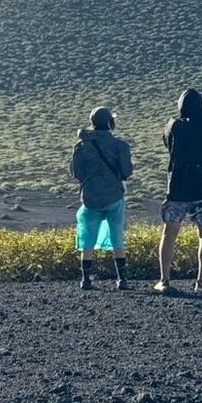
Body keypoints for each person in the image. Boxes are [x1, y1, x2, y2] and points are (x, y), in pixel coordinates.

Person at [155, 89, 202, 294]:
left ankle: (164, 281)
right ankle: (201, 282)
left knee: (169, 233)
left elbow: (167, 142)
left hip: (177, 189)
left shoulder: (174, 126)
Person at [70, 105, 133, 291]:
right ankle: (122, 280)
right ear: (109, 123)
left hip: (90, 198)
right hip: (114, 196)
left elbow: (76, 173)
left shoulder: (80, 146)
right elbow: (126, 172)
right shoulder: (120, 146)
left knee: (87, 238)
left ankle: (86, 280)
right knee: (117, 237)